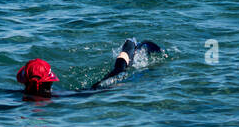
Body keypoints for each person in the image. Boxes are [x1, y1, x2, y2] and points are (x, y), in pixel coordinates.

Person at [15, 39, 164, 97]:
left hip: (90, 92)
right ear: (50, 81)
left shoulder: (18, 97)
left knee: (120, 71)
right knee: (119, 71)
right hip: (93, 90)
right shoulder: (57, 95)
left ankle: (130, 46)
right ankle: (130, 46)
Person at [90, 38, 162, 89]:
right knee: (119, 71)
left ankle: (96, 86)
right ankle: (96, 87)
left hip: (122, 60)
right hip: (122, 61)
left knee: (117, 72)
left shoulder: (131, 45)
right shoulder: (134, 46)